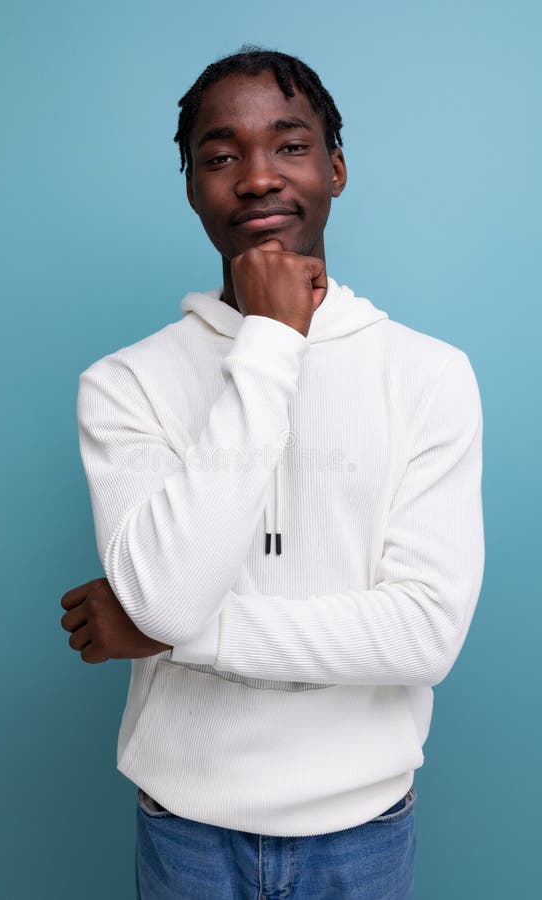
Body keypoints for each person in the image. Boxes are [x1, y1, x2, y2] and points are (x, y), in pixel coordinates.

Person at [60, 46, 484, 899]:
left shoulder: (430, 374)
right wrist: (273, 342)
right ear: (192, 189)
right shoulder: (124, 383)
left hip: (363, 831)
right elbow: (169, 595)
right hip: (184, 826)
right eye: (221, 156)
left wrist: (175, 638)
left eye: (290, 146)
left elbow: (424, 634)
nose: (258, 178)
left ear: (336, 169)